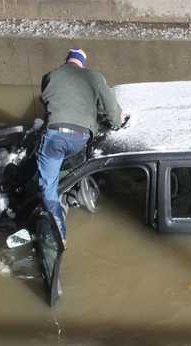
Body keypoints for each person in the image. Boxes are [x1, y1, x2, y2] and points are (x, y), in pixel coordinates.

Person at [37, 48, 128, 242]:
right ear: (83, 63)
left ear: (67, 60)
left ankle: (57, 234)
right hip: (81, 138)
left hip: (54, 137)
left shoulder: (50, 76)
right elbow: (112, 111)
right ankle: (72, 190)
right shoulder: (95, 77)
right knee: (72, 167)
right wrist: (117, 122)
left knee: (48, 186)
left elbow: (46, 102)